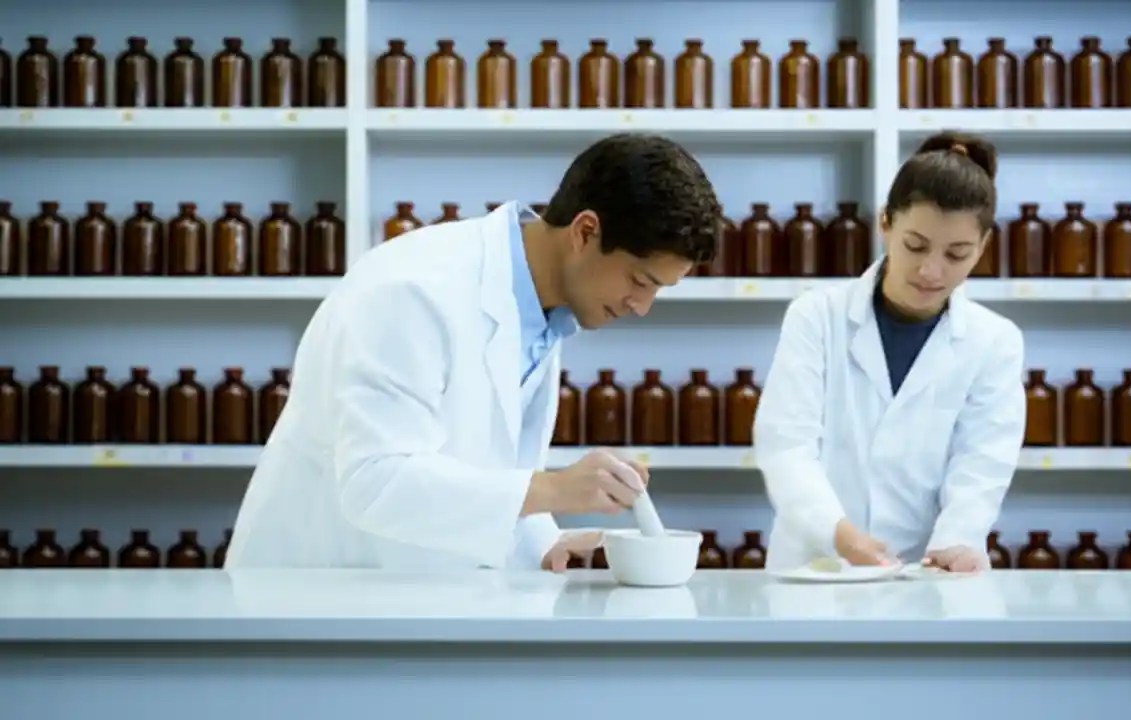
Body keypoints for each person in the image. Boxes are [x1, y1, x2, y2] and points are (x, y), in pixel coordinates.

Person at [224, 133, 721, 572]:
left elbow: (485, 466)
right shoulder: (414, 289)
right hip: (315, 590)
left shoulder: (544, 313)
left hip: (409, 592)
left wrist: (547, 541)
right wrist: (555, 489)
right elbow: (374, 482)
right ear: (585, 232)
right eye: (640, 281)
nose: (642, 307)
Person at [753, 131, 1025, 574]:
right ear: (886, 223)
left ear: (984, 247)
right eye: (915, 246)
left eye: (957, 254)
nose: (931, 271)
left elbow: (982, 466)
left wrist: (954, 544)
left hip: (929, 574)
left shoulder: (994, 341)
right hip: (817, 566)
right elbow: (786, 446)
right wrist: (839, 533)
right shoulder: (817, 316)